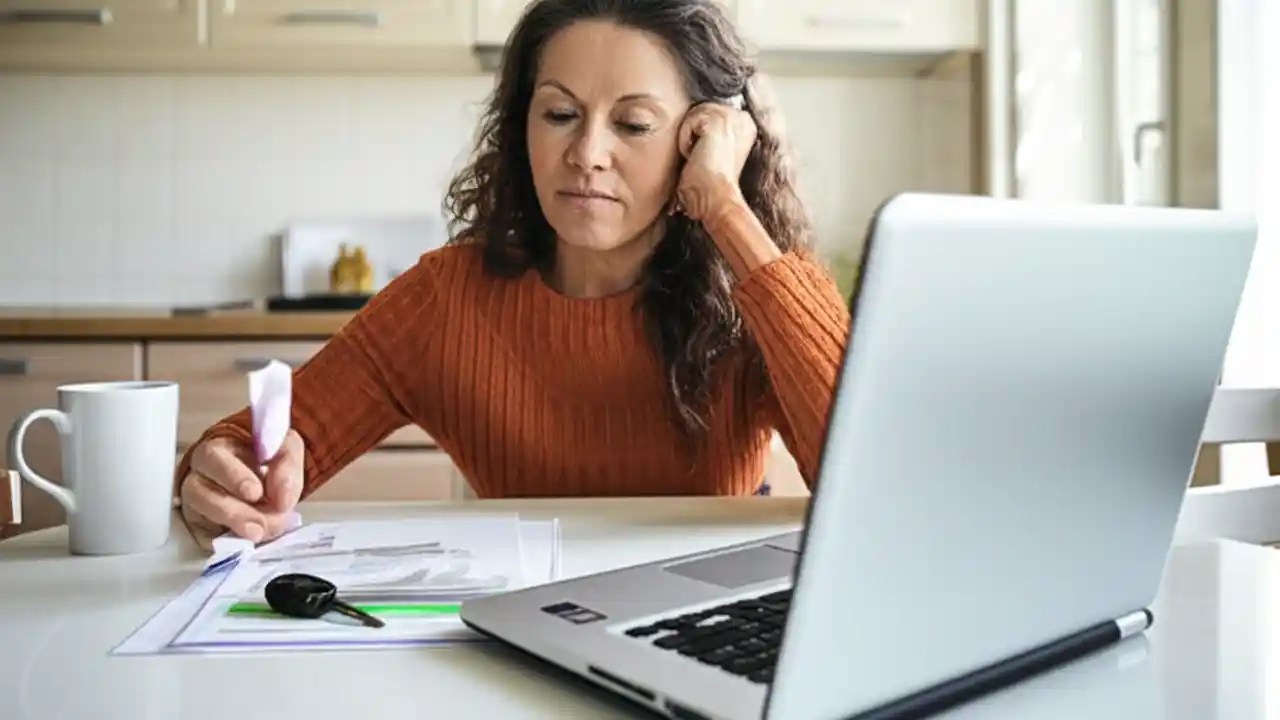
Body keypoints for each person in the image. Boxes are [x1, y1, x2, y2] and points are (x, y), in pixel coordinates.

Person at [174, 0, 851, 549]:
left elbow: (872, 484)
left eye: (634, 124)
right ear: (520, 124)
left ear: (700, 139)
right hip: (513, 634)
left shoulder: (750, 298)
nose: (586, 154)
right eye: (559, 114)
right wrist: (226, 478)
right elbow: (252, 442)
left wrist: (726, 207)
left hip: (695, 629)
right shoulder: (447, 298)